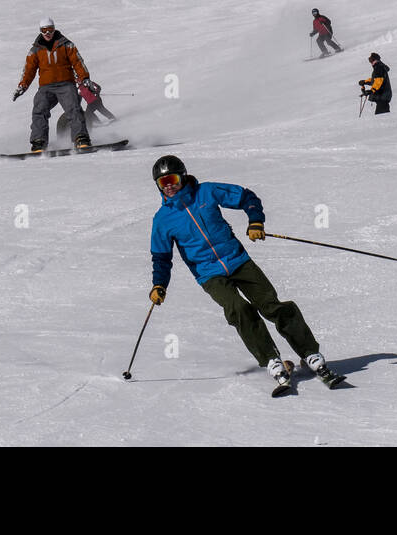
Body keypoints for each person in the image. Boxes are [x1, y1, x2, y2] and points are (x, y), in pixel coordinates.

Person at [147, 155, 343, 391]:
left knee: (271, 305)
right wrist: (160, 285)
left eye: (172, 179)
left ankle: (310, 354)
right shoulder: (162, 220)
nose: (169, 186)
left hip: (238, 261)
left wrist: (255, 222)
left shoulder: (206, 192)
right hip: (209, 274)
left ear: (183, 176)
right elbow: (161, 258)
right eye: (162, 182)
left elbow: (246, 197)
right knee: (238, 309)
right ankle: (271, 360)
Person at [12, 18, 92, 151]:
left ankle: (81, 138)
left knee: (73, 108)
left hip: (65, 84)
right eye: (44, 30)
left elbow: (78, 62)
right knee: (39, 109)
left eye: (50, 29)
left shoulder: (67, 45)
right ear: (40, 31)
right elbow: (29, 70)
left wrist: (84, 78)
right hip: (46, 87)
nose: (48, 33)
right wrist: (22, 86)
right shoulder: (36, 50)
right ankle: (39, 141)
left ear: (54, 29)